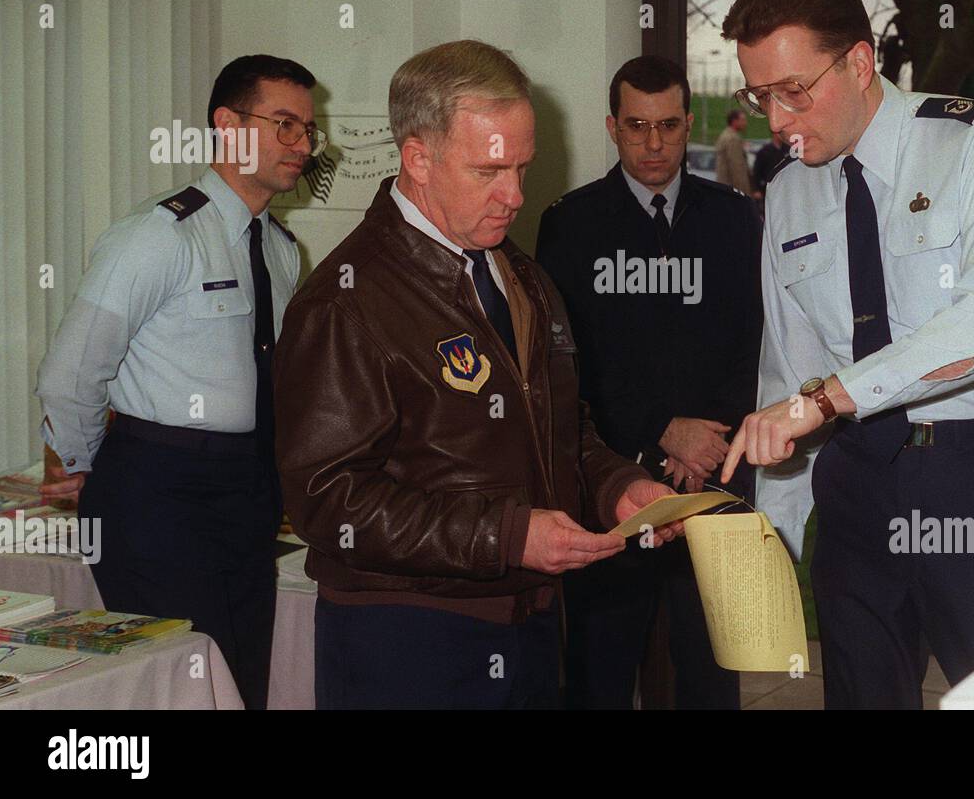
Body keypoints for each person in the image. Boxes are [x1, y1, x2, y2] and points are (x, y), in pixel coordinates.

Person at [272, 40, 682, 710]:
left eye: (522, 166)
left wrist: (616, 486)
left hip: (528, 622)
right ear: (418, 159)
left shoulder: (518, 273)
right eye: (490, 170)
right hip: (406, 640)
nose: (515, 194)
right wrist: (507, 533)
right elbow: (328, 500)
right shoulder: (346, 299)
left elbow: (561, 425)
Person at [717, 0, 974, 709]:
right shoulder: (786, 194)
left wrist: (831, 399)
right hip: (856, 485)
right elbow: (790, 381)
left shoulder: (972, 142)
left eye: (793, 91)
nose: (775, 120)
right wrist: (767, 553)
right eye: (760, 96)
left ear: (859, 61)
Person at [35, 54, 320, 709]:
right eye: (284, 124)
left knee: (239, 682)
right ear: (227, 124)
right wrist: (81, 466)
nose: (301, 144)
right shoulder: (156, 236)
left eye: (307, 129)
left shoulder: (279, 248)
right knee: (186, 688)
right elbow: (71, 373)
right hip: (158, 493)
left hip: (245, 491)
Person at [536, 56, 763, 709]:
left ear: (690, 121)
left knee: (714, 668)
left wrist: (709, 441)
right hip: (611, 477)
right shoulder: (572, 224)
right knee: (600, 672)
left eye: (668, 125)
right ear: (612, 126)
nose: (655, 143)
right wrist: (662, 426)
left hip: (713, 479)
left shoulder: (731, 219)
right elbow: (569, 362)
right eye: (638, 126)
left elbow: (750, 341)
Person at [713, 109, 752, 195]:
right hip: (731, 189)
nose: (745, 123)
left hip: (724, 188)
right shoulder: (733, 139)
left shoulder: (725, 135)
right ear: (734, 121)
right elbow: (737, 168)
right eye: (742, 120)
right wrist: (743, 194)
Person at [752, 132, 789, 199]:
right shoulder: (764, 151)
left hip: (784, 188)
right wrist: (756, 189)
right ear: (774, 134)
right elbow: (757, 171)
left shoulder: (788, 150)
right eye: (780, 133)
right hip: (768, 188)